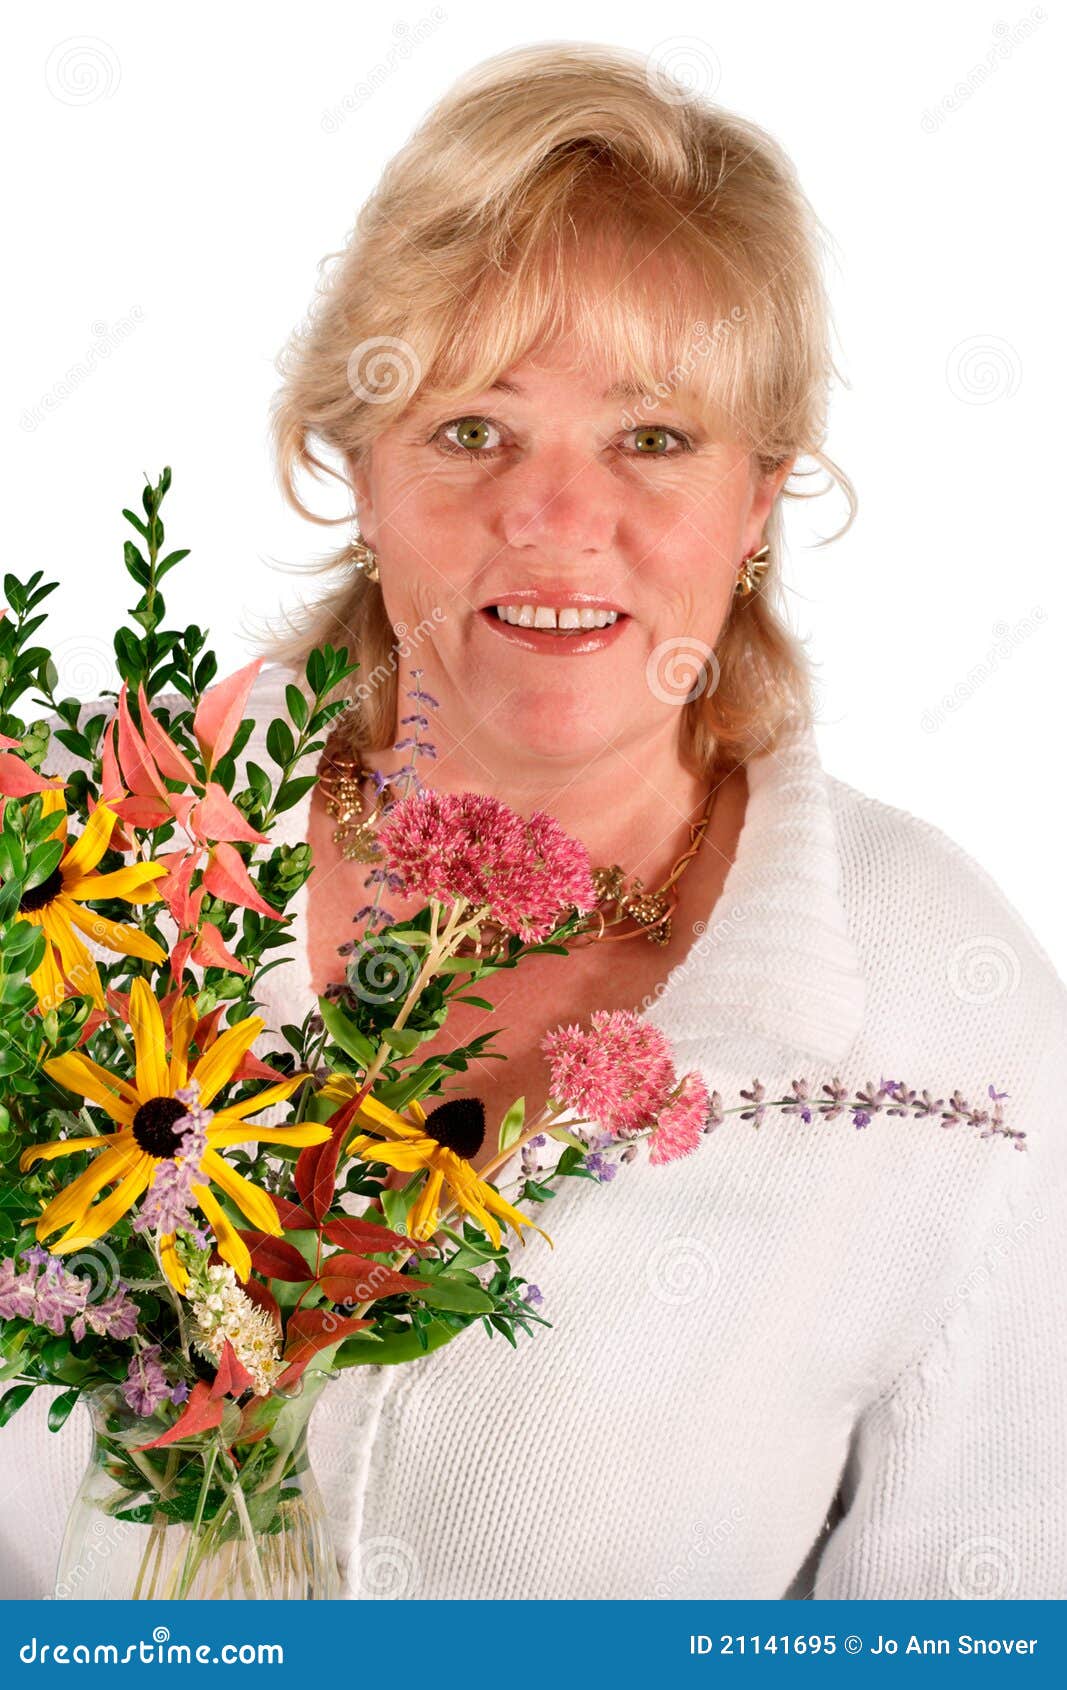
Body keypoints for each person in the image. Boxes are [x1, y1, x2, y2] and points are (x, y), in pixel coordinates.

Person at [3, 41, 1064, 1602]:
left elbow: (973, 1632)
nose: (558, 519)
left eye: (653, 437)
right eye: (470, 429)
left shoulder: (945, 1010)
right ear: (358, 470)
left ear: (760, 496)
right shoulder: (79, 868)